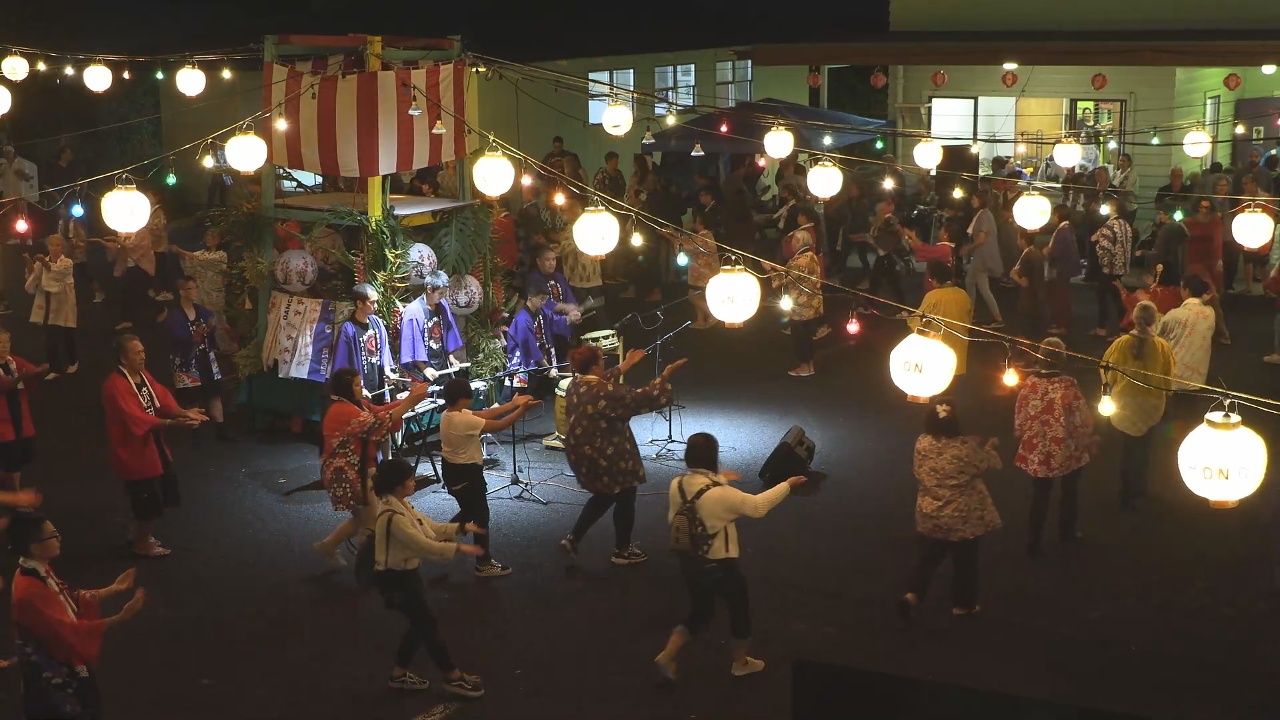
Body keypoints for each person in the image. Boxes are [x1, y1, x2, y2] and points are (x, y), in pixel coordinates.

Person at [653, 433, 806, 681]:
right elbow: (758, 507)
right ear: (714, 457)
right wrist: (788, 484)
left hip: (689, 561)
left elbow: (700, 496)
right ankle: (740, 662)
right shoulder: (721, 494)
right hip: (720, 566)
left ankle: (668, 654)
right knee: (740, 612)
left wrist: (721, 479)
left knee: (700, 613)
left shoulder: (677, 483)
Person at [7, 513, 146, 720]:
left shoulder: (33, 570)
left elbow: (65, 599)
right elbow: (68, 631)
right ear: (35, 547)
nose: (59, 538)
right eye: (53, 535)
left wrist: (112, 589)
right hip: (53, 667)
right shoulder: (29, 590)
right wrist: (120, 617)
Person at [370, 458, 486, 697]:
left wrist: (462, 528)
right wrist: (461, 549)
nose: (414, 482)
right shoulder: (394, 517)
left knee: (420, 624)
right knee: (427, 624)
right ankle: (451, 676)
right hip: (395, 580)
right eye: (409, 479)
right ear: (397, 486)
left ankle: (399, 674)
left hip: (405, 575)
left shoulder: (400, 506)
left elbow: (430, 527)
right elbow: (425, 546)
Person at [560, 345, 686, 565]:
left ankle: (573, 538)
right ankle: (622, 550)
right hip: (609, 452)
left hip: (582, 450)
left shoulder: (575, 384)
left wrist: (626, 364)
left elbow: (601, 379)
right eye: (602, 361)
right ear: (595, 366)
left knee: (604, 494)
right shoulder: (606, 393)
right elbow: (642, 397)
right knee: (626, 493)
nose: (605, 364)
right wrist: (665, 376)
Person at [312, 367, 429, 567]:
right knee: (370, 523)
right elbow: (377, 423)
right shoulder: (343, 410)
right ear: (346, 388)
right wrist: (411, 401)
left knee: (362, 518)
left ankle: (328, 545)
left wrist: (411, 398)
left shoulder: (354, 405)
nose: (361, 388)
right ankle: (366, 568)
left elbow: (381, 412)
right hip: (350, 473)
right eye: (357, 385)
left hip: (356, 469)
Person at [103, 334, 207, 557]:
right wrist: (172, 423)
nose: (143, 356)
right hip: (133, 452)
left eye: (143, 351)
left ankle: (138, 534)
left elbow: (161, 397)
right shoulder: (115, 386)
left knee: (155, 494)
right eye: (137, 353)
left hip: (152, 446)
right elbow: (134, 418)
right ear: (123, 358)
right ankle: (141, 543)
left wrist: (183, 412)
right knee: (148, 501)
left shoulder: (142, 375)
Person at [898, 398, 1001, 620]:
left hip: (929, 513)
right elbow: (983, 464)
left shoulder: (922, 443)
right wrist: (989, 448)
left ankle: (912, 595)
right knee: (965, 562)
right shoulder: (964, 448)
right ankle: (963, 605)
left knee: (927, 559)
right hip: (961, 517)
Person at [438, 378, 539, 577]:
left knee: (469, 511)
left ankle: (444, 540)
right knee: (481, 516)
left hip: (453, 471)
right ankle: (483, 563)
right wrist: (522, 410)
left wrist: (512, 404)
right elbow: (499, 425)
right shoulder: (461, 419)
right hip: (466, 474)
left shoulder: (449, 414)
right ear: (462, 398)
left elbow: (484, 414)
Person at [1014, 338, 1095, 556]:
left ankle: (1034, 540)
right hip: (1066, 448)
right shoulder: (1068, 385)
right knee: (1070, 491)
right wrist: (1086, 439)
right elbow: (1081, 418)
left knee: (1040, 494)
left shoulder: (1030, 384)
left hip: (1039, 449)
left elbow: (1020, 419)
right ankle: (1067, 532)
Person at [1101, 301, 1174, 511]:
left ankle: (1126, 493)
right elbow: (1168, 378)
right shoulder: (1162, 347)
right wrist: (1167, 394)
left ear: (1134, 318)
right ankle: (1141, 487)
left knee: (1127, 450)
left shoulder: (1121, 343)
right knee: (1145, 448)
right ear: (1155, 320)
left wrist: (1110, 389)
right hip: (1151, 405)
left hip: (1124, 404)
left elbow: (1107, 369)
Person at [160, 276, 231, 440]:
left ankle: (221, 430)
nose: (194, 291)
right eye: (190, 288)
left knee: (214, 393)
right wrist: (194, 337)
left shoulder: (201, 310)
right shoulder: (175, 316)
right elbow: (175, 339)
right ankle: (195, 433)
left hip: (206, 357)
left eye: (195, 287)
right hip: (187, 361)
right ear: (181, 292)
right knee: (192, 397)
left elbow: (211, 324)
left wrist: (210, 328)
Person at [768, 207, 825, 377]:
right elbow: (791, 272)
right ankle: (810, 365)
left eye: (793, 241)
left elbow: (779, 282)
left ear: (799, 243)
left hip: (800, 308)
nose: (791, 244)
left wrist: (770, 270)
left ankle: (804, 367)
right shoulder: (811, 256)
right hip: (812, 304)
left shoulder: (797, 261)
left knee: (800, 339)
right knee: (808, 337)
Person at [332, 283, 397, 406]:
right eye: (372, 302)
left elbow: (384, 351)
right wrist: (359, 387)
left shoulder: (377, 322)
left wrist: (387, 370)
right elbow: (343, 367)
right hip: (362, 391)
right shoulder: (348, 329)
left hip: (379, 385)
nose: (376, 306)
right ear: (359, 303)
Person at [0, 328, 47, 491]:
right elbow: (5, 384)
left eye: (6, 343)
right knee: (12, 458)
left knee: (27, 452)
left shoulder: (14, 361)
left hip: (20, 415)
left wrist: (40, 372)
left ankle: (7, 484)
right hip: (3, 421)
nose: (4, 347)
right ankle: (15, 493)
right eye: (0, 343)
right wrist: (22, 376)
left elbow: (31, 370)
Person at [24, 235, 77, 378]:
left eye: (58, 245)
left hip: (63, 304)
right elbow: (34, 276)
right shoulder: (43, 261)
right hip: (47, 302)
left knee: (66, 335)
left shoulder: (67, 262)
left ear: (63, 247)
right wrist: (30, 263)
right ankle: (55, 367)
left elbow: (57, 272)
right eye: (52, 245)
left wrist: (43, 262)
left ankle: (73, 360)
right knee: (50, 337)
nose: (54, 248)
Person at [173, 228, 235, 351]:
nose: (209, 238)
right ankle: (205, 347)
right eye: (207, 236)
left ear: (219, 240)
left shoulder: (221, 255)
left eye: (213, 236)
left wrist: (180, 251)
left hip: (214, 294)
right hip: (201, 293)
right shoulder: (202, 253)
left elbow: (199, 259)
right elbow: (191, 264)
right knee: (202, 322)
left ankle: (227, 349)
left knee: (218, 323)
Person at [399, 270, 465, 383]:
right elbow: (410, 345)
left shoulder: (442, 304)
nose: (443, 296)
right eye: (440, 293)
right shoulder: (413, 311)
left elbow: (447, 333)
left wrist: (451, 356)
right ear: (429, 289)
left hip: (441, 363)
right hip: (423, 367)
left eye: (444, 293)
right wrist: (424, 368)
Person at [908, 261, 971, 378]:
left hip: (940, 344)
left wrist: (907, 317)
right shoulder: (963, 294)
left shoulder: (933, 296)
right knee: (952, 375)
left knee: (937, 377)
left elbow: (917, 320)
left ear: (935, 280)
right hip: (960, 342)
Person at [503, 285, 566, 402]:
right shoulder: (522, 319)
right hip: (522, 362)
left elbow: (554, 320)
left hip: (536, 362)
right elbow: (530, 347)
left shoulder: (541, 311)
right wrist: (548, 369)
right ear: (530, 297)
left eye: (545, 299)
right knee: (510, 400)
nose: (543, 302)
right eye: (541, 298)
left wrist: (569, 319)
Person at [1091, 195, 1133, 338]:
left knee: (1105, 297)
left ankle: (1104, 328)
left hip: (1109, 268)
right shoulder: (1126, 224)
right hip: (1121, 267)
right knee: (1118, 296)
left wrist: (1097, 244)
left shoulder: (1109, 225)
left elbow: (1105, 248)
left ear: (1114, 208)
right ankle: (1122, 327)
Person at [961, 191, 1005, 328]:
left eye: (974, 198)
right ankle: (972, 313)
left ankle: (996, 318)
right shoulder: (985, 214)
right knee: (971, 282)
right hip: (982, 257)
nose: (972, 201)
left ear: (980, 200)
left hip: (982, 257)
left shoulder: (984, 216)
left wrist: (968, 248)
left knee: (981, 287)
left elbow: (981, 239)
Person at [1045, 204, 1081, 335]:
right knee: (1063, 295)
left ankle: (1062, 325)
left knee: (1059, 296)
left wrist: (1047, 252)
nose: (1053, 217)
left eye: (1054, 215)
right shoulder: (1067, 228)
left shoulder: (1062, 230)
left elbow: (1056, 252)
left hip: (1061, 268)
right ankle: (1065, 321)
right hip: (1066, 268)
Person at [1010, 231, 1047, 339]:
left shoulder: (1027, 257)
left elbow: (1025, 283)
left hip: (1028, 299)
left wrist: (1014, 276)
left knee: (1026, 331)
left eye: (1018, 239)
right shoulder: (1037, 253)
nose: (1017, 242)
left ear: (1023, 240)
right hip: (1039, 296)